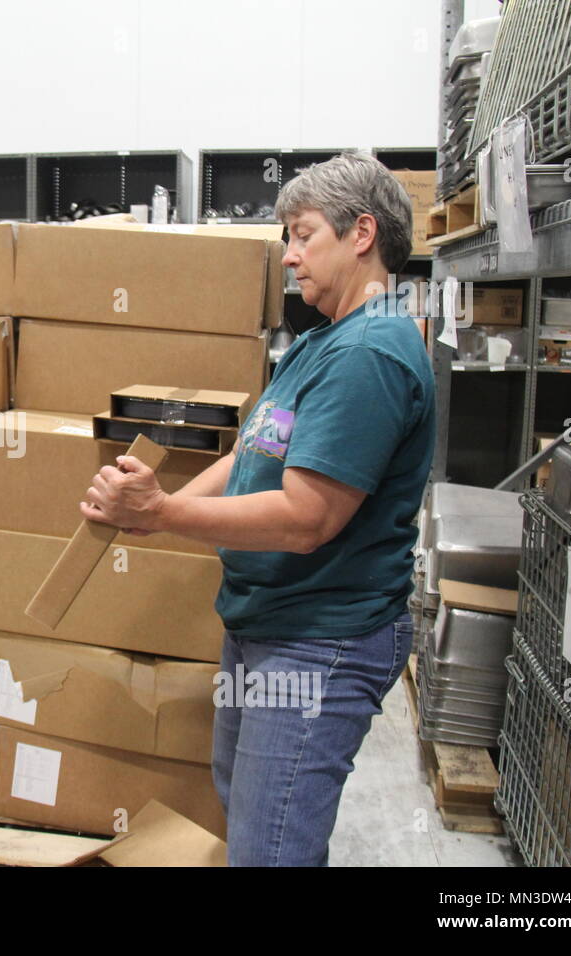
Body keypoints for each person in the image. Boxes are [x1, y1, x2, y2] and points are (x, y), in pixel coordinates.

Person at [81, 152, 436, 866]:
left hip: (318, 637)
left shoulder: (370, 353)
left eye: (303, 235)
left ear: (361, 233)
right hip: (265, 621)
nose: (289, 256)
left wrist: (162, 515)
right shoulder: (318, 344)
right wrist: (155, 504)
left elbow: (308, 517)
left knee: (269, 848)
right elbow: (249, 452)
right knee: (252, 814)